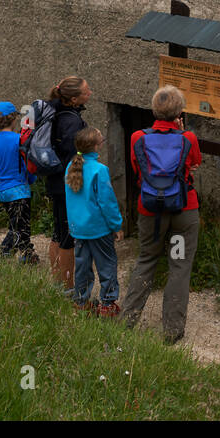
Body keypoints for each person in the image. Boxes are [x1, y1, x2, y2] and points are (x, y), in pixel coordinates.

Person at [121, 85, 202, 344]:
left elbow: (138, 168)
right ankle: (172, 330)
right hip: (182, 211)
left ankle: (128, 320)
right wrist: (179, 133)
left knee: (146, 260)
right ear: (180, 112)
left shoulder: (138, 138)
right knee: (179, 265)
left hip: (151, 210)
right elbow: (195, 163)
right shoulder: (188, 138)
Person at [64, 126, 124, 316]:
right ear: (97, 146)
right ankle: (107, 304)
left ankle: (81, 301)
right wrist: (117, 226)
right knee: (107, 265)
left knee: (82, 265)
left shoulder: (71, 166)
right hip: (98, 228)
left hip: (78, 228)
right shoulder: (100, 170)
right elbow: (107, 202)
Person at [43, 76, 91, 291]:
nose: (89, 93)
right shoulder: (71, 121)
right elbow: (74, 156)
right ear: (73, 99)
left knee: (57, 231)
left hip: (54, 180)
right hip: (66, 184)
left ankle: (56, 280)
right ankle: (68, 287)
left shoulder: (56, 113)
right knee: (68, 236)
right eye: (86, 91)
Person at [0, 101, 38, 263]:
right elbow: (27, 164)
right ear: (14, 119)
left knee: (17, 224)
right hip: (20, 189)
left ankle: (19, 254)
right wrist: (31, 179)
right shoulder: (19, 140)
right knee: (21, 226)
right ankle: (13, 254)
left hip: (4, 192)